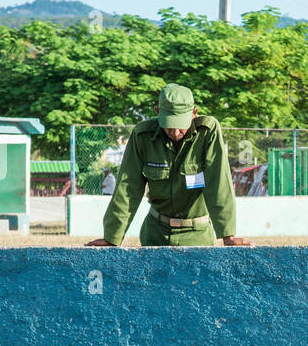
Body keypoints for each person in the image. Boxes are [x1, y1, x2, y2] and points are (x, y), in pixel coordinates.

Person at [86, 84, 252, 248]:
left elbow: (219, 183)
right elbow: (127, 187)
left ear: (194, 113)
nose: (176, 132)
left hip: (198, 237)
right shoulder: (143, 136)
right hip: (155, 235)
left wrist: (228, 235)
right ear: (157, 112)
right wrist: (112, 237)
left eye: (181, 125)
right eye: (169, 125)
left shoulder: (207, 132)